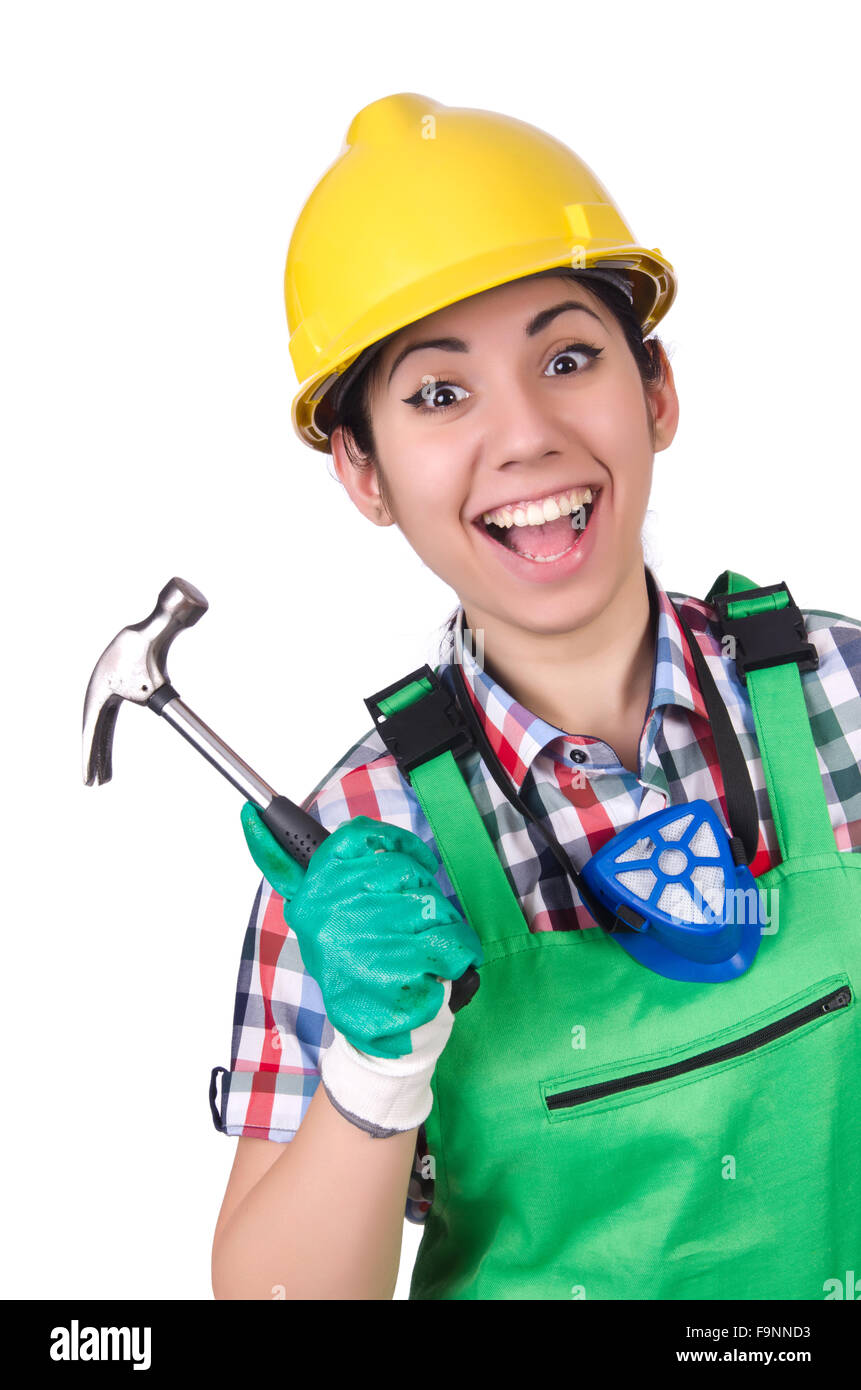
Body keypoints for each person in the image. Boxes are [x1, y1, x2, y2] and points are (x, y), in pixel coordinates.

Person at [209, 93, 861, 1301]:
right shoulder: (361, 855)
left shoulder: (844, 698)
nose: (525, 438)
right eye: (439, 396)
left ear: (656, 389)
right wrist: (378, 1064)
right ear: (363, 471)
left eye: (568, 359)